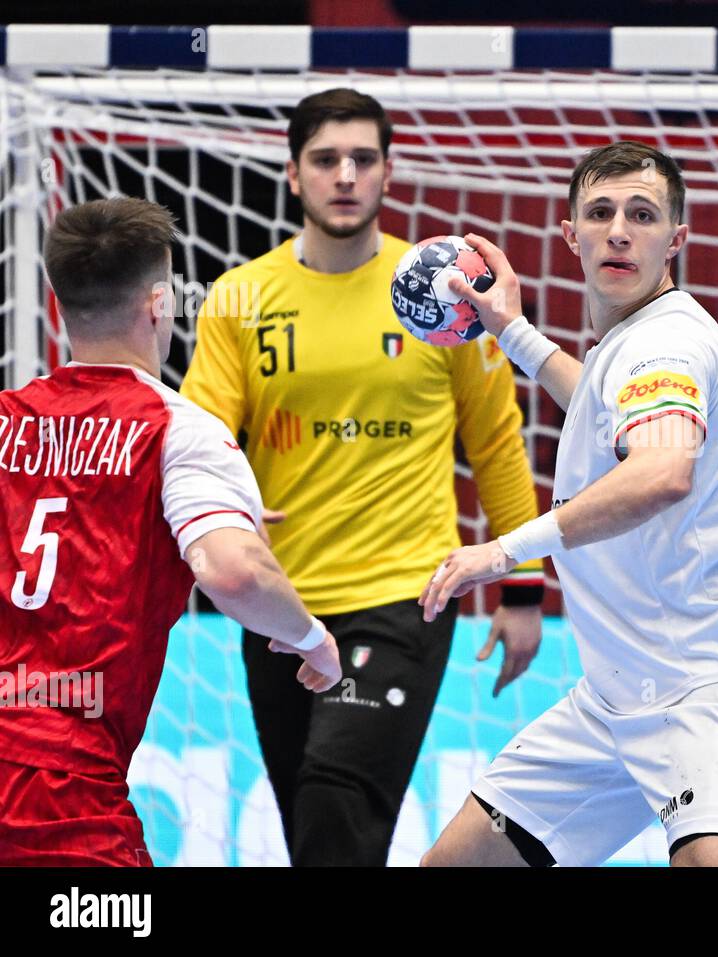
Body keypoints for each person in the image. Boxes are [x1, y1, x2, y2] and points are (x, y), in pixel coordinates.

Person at [180, 89, 545, 866]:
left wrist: (522, 586)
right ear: (292, 174)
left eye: (363, 159)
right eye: (324, 160)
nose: (345, 176)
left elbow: (497, 443)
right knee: (322, 838)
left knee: (333, 807)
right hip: (279, 605)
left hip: (406, 593)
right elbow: (198, 439)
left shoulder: (446, 293)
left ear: (387, 170)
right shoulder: (241, 297)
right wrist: (223, 509)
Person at [417, 141, 718, 867]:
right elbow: (598, 403)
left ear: (676, 239)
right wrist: (511, 331)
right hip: (614, 700)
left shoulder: (669, 343)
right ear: (571, 234)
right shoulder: (629, 344)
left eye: (643, 214)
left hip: (707, 687)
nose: (619, 229)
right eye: (600, 212)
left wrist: (502, 551)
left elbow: (660, 473)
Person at [0, 197, 341, 866]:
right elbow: (234, 572)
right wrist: (311, 638)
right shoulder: (177, 430)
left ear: (59, 300)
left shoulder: (7, 417)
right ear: (160, 303)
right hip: (61, 785)